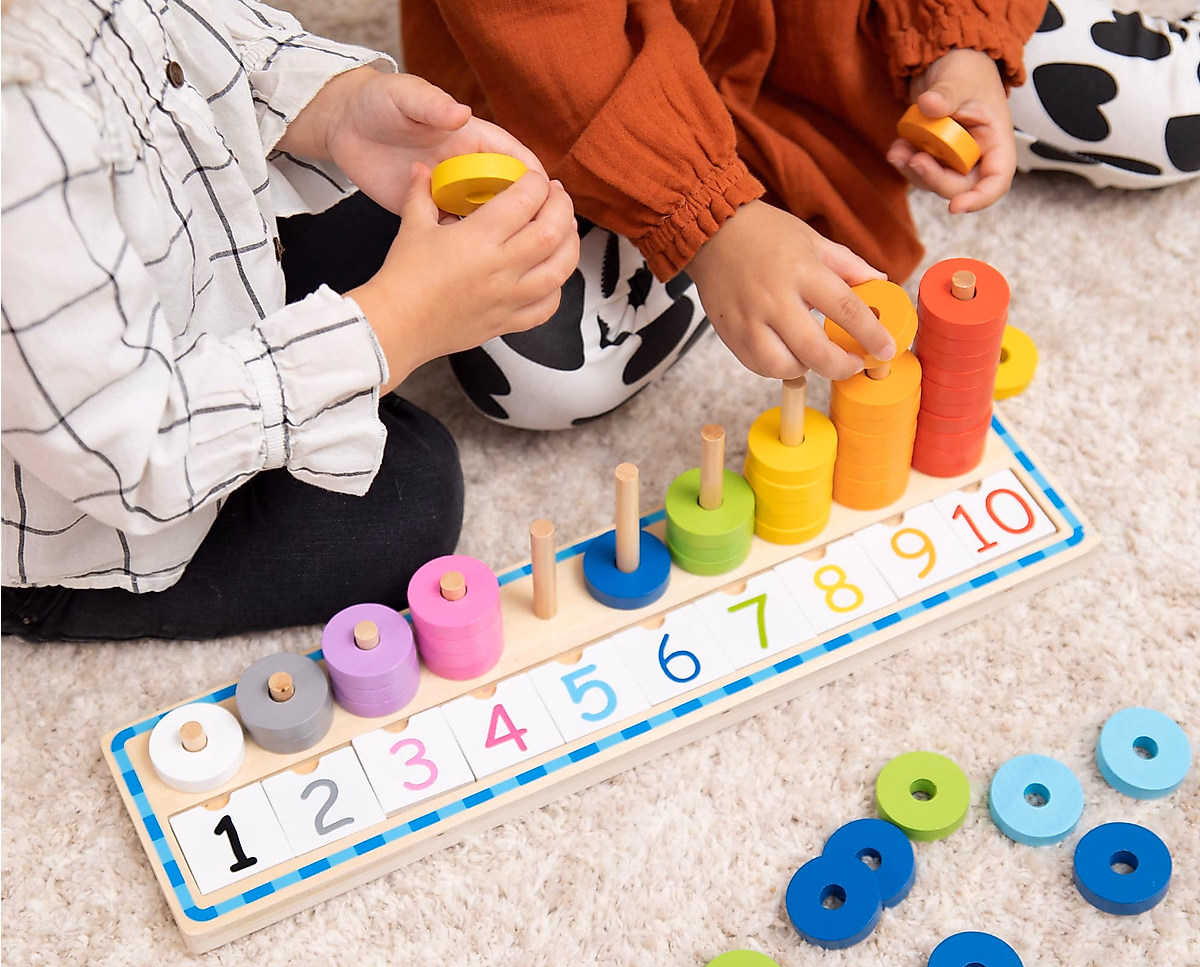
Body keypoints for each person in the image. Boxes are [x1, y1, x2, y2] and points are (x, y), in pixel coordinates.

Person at [0, 0, 579, 641]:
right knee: (412, 498)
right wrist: (393, 326)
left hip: (169, 253)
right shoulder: (18, 131)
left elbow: (179, 32)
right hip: (94, 480)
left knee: (410, 198)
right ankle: (35, 598)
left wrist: (335, 111)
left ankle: (313, 370)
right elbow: (133, 449)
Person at [400, 0, 1198, 431]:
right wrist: (705, 218)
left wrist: (962, 42)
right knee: (539, 377)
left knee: (1174, 115)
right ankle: (735, 242)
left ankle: (757, 230)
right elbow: (545, 38)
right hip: (596, 104)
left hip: (843, 35)